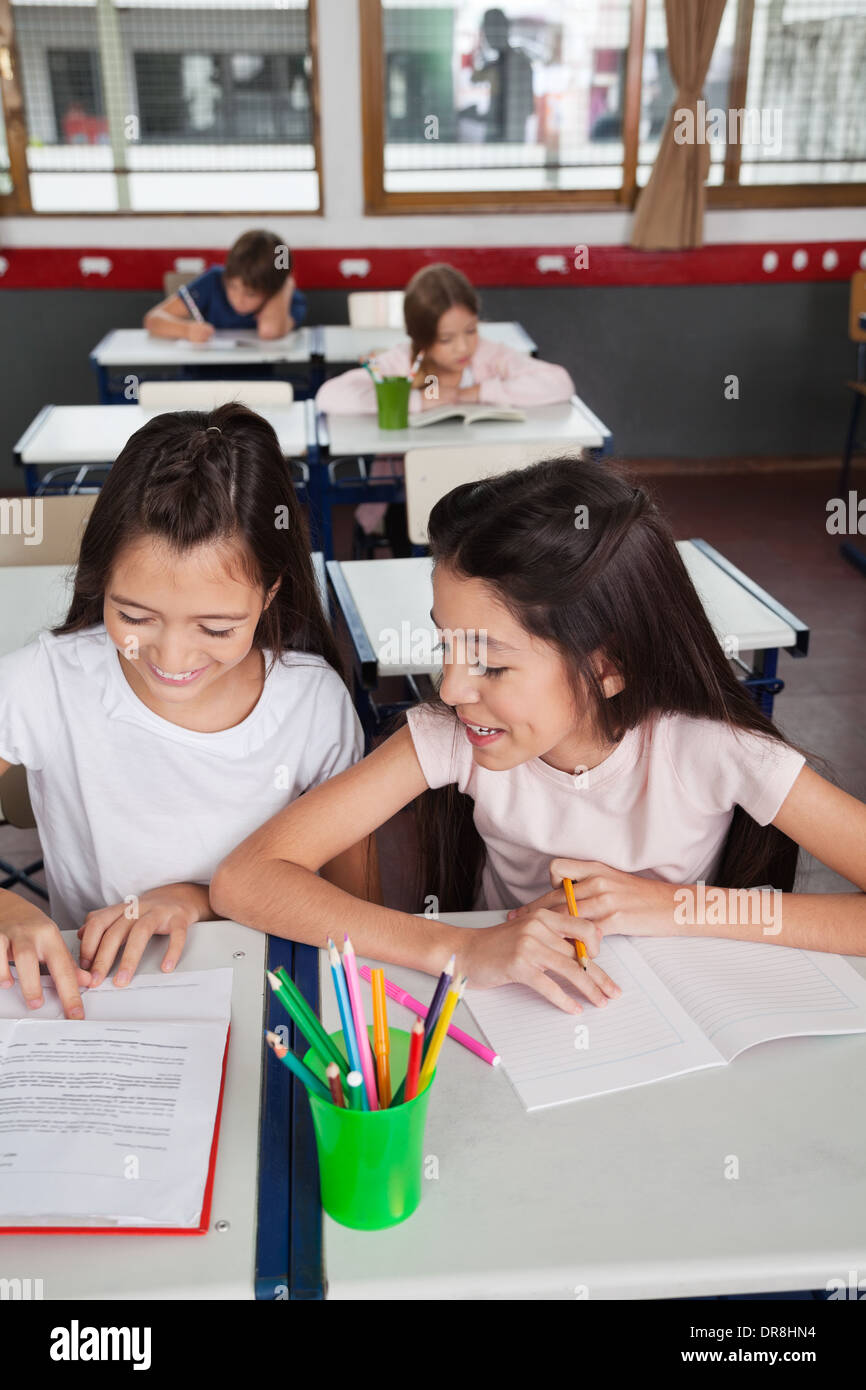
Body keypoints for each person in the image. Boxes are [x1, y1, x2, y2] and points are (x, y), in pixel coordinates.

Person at [211, 456, 866, 1014]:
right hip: (504, 1015)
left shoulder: (711, 750)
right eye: (445, 644)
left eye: (491, 663)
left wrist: (675, 907)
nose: (452, 688)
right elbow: (246, 879)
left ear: (608, 666)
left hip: (674, 1011)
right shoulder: (453, 735)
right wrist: (460, 947)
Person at [0, 404, 375, 1019]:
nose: (171, 657)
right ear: (101, 582)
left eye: (217, 626)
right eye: (135, 617)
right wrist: (8, 909)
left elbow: (351, 909)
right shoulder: (45, 682)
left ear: (272, 591)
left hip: (273, 1000)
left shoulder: (312, 705)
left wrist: (200, 899)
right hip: (99, 1001)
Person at [316, 263, 574, 552]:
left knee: (492, 538)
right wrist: (417, 401)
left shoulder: (490, 356)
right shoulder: (402, 362)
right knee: (420, 535)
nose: (463, 347)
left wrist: (473, 392)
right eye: (446, 339)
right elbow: (330, 395)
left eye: (471, 330)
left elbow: (559, 382)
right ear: (421, 338)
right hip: (407, 492)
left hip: (483, 487)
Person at [143, 229, 306, 342]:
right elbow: (153, 319)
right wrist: (186, 330)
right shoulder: (214, 280)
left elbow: (269, 331)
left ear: (272, 290)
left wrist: (284, 282)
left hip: (256, 384)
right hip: (199, 379)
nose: (238, 299)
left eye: (251, 294)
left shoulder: (287, 299)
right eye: (232, 287)